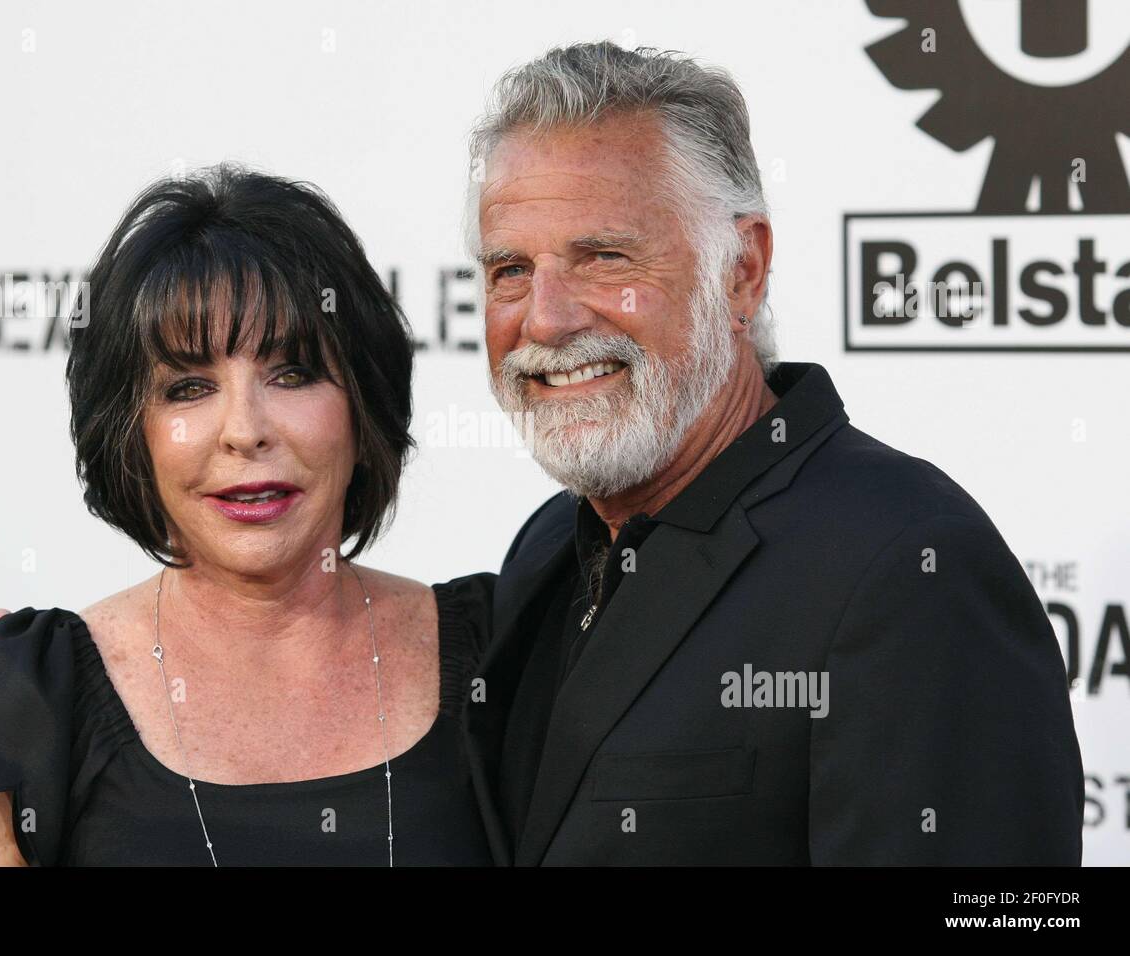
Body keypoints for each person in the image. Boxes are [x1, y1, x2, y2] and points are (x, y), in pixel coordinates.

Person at [462, 42, 1083, 864]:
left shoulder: (911, 567)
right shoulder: (546, 549)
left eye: (603, 256)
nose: (544, 319)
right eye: (510, 269)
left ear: (742, 272)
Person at [0, 164, 493, 866]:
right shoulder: (27, 693)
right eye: (188, 387)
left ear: (363, 409)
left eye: (292, 374)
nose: (244, 430)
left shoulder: (505, 649)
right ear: (132, 437)